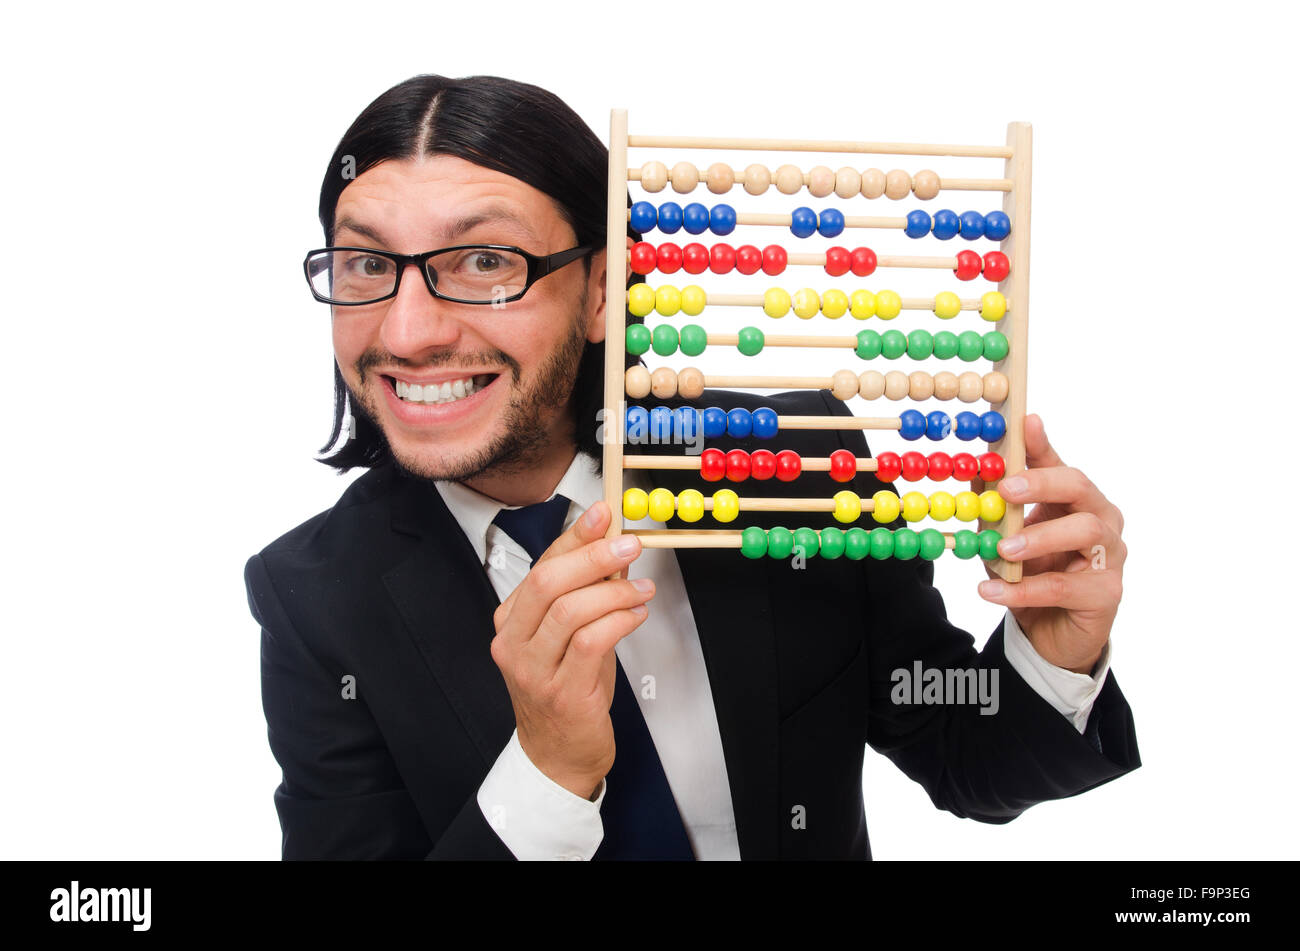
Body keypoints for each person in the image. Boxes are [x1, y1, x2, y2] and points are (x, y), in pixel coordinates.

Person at [245, 74, 1139, 861]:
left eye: (485, 260)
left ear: (603, 288)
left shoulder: (794, 469)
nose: (408, 333)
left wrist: (1049, 659)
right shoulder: (315, 599)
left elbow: (955, 747)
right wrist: (549, 771)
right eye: (366, 263)